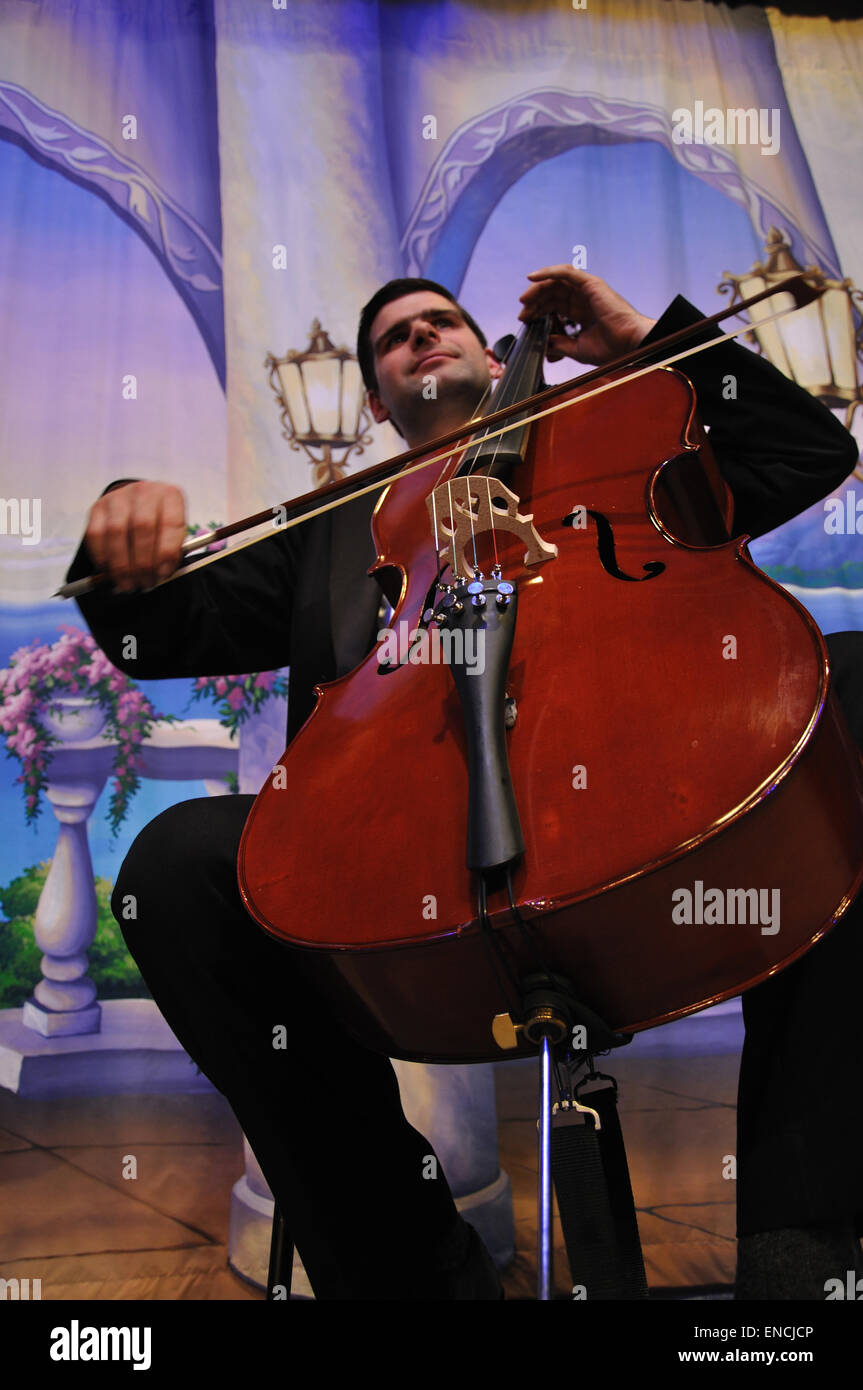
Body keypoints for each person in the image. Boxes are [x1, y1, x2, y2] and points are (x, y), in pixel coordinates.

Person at [66, 266, 863, 1300]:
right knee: (176, 866)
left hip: (640, 778)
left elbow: (806, 455)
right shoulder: (337, 527)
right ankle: (411, 1274)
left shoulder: (624, 424)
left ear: (495, 356)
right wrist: (115, 537)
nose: (420, 337)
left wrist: (639, 343)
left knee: (845, 688)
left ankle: (800, 1252)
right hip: (402, 830)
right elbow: (157, 632)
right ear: (371, 401)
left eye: (440, 320)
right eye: (394, 337)